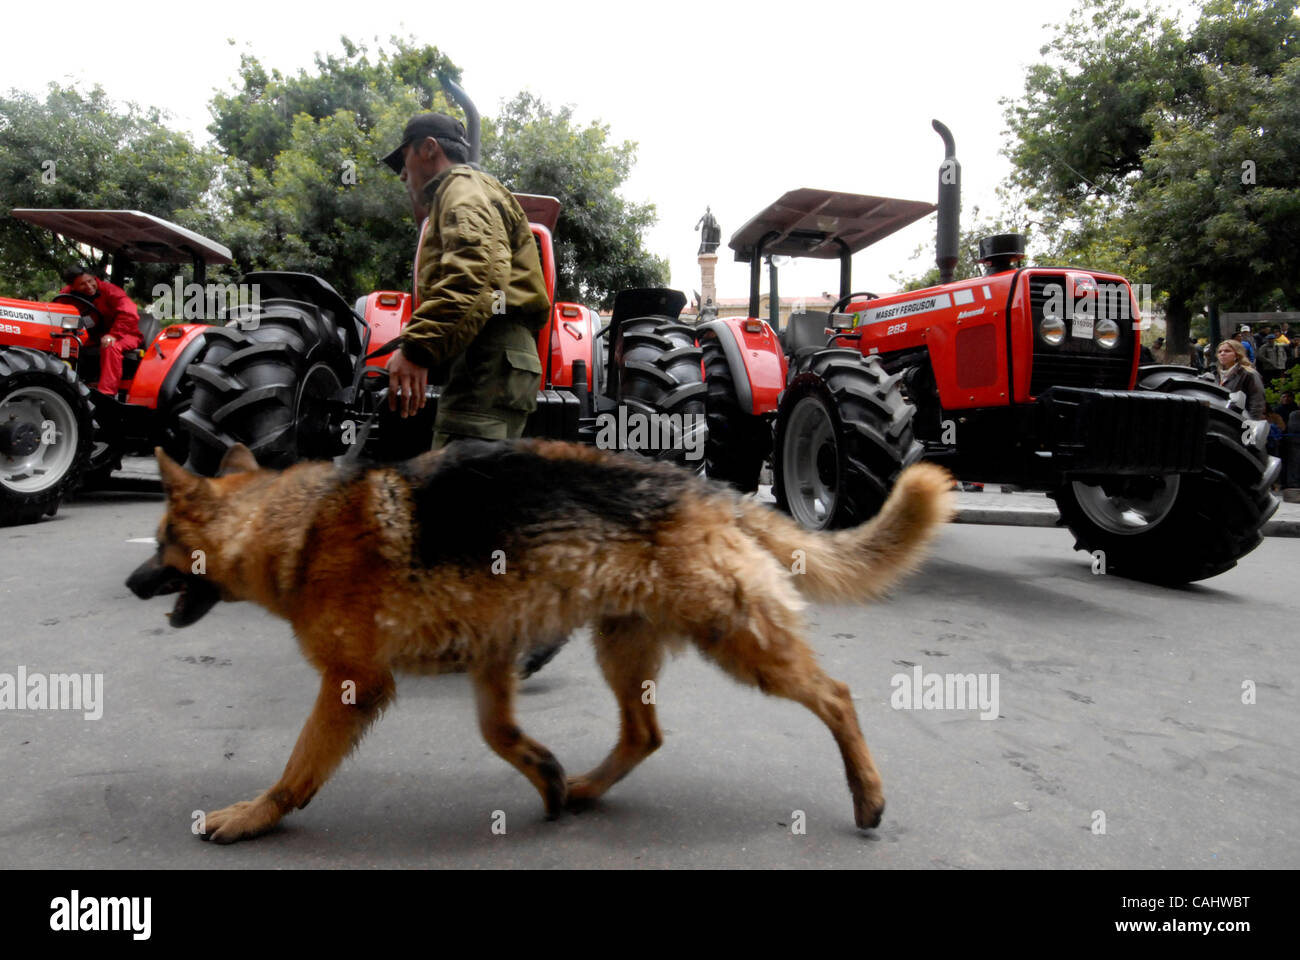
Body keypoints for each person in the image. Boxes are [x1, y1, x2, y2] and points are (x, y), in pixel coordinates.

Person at [381, 113, 551, 446]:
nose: (402, 174)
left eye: (404, 159)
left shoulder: (461, 188)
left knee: (458, 491)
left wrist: (417, 348)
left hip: (489, 360)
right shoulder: (469, 190)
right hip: (496, 359)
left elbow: (476, 276)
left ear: (429, 148)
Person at [59, 266, 141, 397]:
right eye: (82, 284)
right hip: (94, 336)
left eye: (90, 281)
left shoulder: (110, 291)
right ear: (72, 287)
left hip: (124, 333)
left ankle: (106, 394)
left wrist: (113, 334)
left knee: (110, 345)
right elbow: (58, 313)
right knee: (67, 345)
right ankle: (69, 386)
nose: (89, 286)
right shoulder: (66, 296)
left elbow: (129, 314)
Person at [1216, 339, 1266, 419]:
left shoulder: (1249, 374)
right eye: (1220, 352)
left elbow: (1257, 401)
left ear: (1237, 355)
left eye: (1227, 351)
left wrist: (1252, 423)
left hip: (1241, 420)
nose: (1222, 354)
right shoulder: (1215, 374)